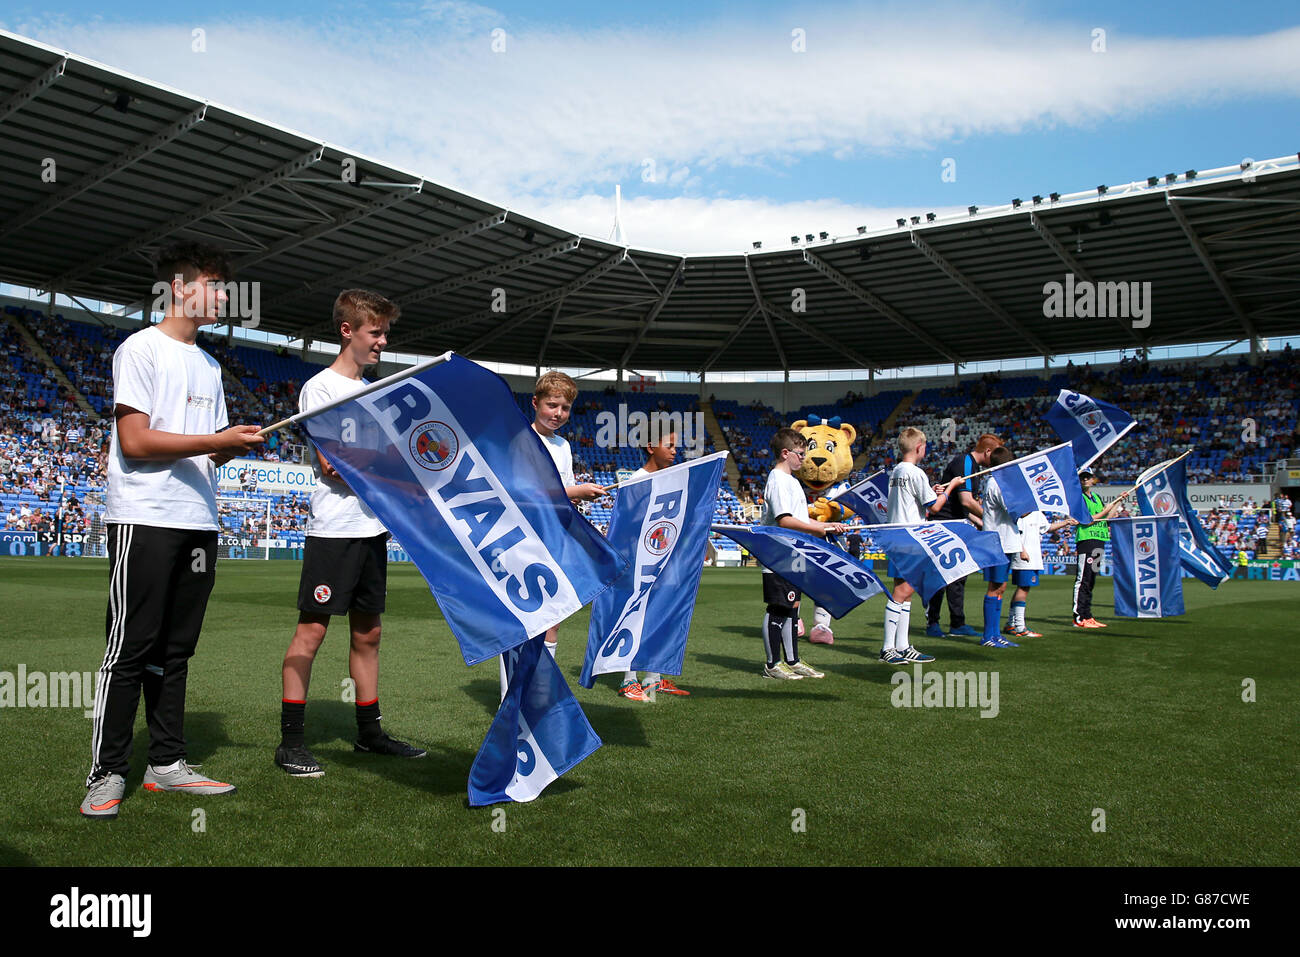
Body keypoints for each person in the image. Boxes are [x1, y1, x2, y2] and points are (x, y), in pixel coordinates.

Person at [81, 241, 265, 819]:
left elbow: (205, 454)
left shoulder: (209, 364)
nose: (225, 300)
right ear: (181, 288)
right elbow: (135, 443)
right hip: (145, 516)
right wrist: (217, 440)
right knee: (130, 648)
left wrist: (234, 445)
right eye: (216, 287)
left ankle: (167, 764)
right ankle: (107, 772)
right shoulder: (139, 348)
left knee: (176, 651)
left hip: (197, 521)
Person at [275, 289, 425, 778]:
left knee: (370, 633)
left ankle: (369, 733)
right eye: (375, 332)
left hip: (372, 529)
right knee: (312, 631)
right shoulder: (320, 389)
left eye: (384, 333)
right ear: (348, 331)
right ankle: (291, 741)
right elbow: (331, 464)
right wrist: (389, 465)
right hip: (335, 531)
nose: (383, 342)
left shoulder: (377, 392)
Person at [498, 371, 606, 699]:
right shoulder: (520, 440)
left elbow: (561, 494)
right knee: (521, 620)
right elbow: (528, 495)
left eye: (565, 407)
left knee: (553, 619)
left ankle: (538, 695)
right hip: (523, 540)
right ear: (535, 403)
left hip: (555, 537)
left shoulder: (563, 445)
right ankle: (509, 698)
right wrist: (576, 490)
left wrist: (576, 499)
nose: (558, 413)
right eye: (552, 405)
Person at [759, 428, 845, 679]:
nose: (804, 458)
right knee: (778, 608)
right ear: (785, 453)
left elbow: (800, 518)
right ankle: (772, 664)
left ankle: (793, 660)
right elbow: (784, 520)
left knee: (792, 607)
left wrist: (827, 525)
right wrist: (817, 527)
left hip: (793, 554)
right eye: (800, 453)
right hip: (778, 555)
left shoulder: (793, 482)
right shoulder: (776, 479)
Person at [879, 427, 964, 665]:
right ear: (919, 448)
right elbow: (935, 508)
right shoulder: (916, 472)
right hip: (909, 537)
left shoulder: (897, 470)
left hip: (896, 535)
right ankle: (888, 648)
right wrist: (950, 487)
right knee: (902, 592)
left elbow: (920, 499)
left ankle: (902, 645)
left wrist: (935, 492)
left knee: (907, 593)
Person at [615, 431, 690, 701]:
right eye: (668, 446)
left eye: (676, 447)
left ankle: (653, 678)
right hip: (641, 562)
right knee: (636, 616)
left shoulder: (671, 480)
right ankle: (628, 680)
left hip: (665, 560)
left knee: (659, 617)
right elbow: (627, 527)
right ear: (649, 447)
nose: (674, 451)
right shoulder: (635, 481)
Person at [925, 433, 1001, 639]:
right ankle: (933, 622)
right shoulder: (965, 462)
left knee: (958, 575)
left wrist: (983, 523)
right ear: (987, 451)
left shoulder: (972, 467)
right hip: (945, 524)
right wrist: (990, 519)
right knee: (943, 575)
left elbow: (964, 508)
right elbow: (967, 501)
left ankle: (957, 623)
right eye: (995, 455)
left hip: (957, 523)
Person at [1004, 509, 1076, 638]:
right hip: (1024, 556)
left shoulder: (1037, 514)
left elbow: (1047, 528)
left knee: (1023, 588)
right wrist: (1022, 550)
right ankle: (1020, 626)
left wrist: (1066, 522)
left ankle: (1011, 623)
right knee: (1023, 589)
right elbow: (1014, 534)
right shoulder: (1018, 514)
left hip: (1033, 557)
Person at [1072, 469, 1129, 629]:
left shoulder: (1096, 497)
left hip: (1099, 540)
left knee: (1091, 579)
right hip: (1086, 540)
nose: (1085, 481)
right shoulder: (1079, 498)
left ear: (1092, 480)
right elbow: (1086, 520)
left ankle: (1087, 615)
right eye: (1082, 478)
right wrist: (1105, 511)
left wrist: (1118, 501)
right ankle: (1078, 617)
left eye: (1087, 478)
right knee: (1083, 579)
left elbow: (1107, 517)